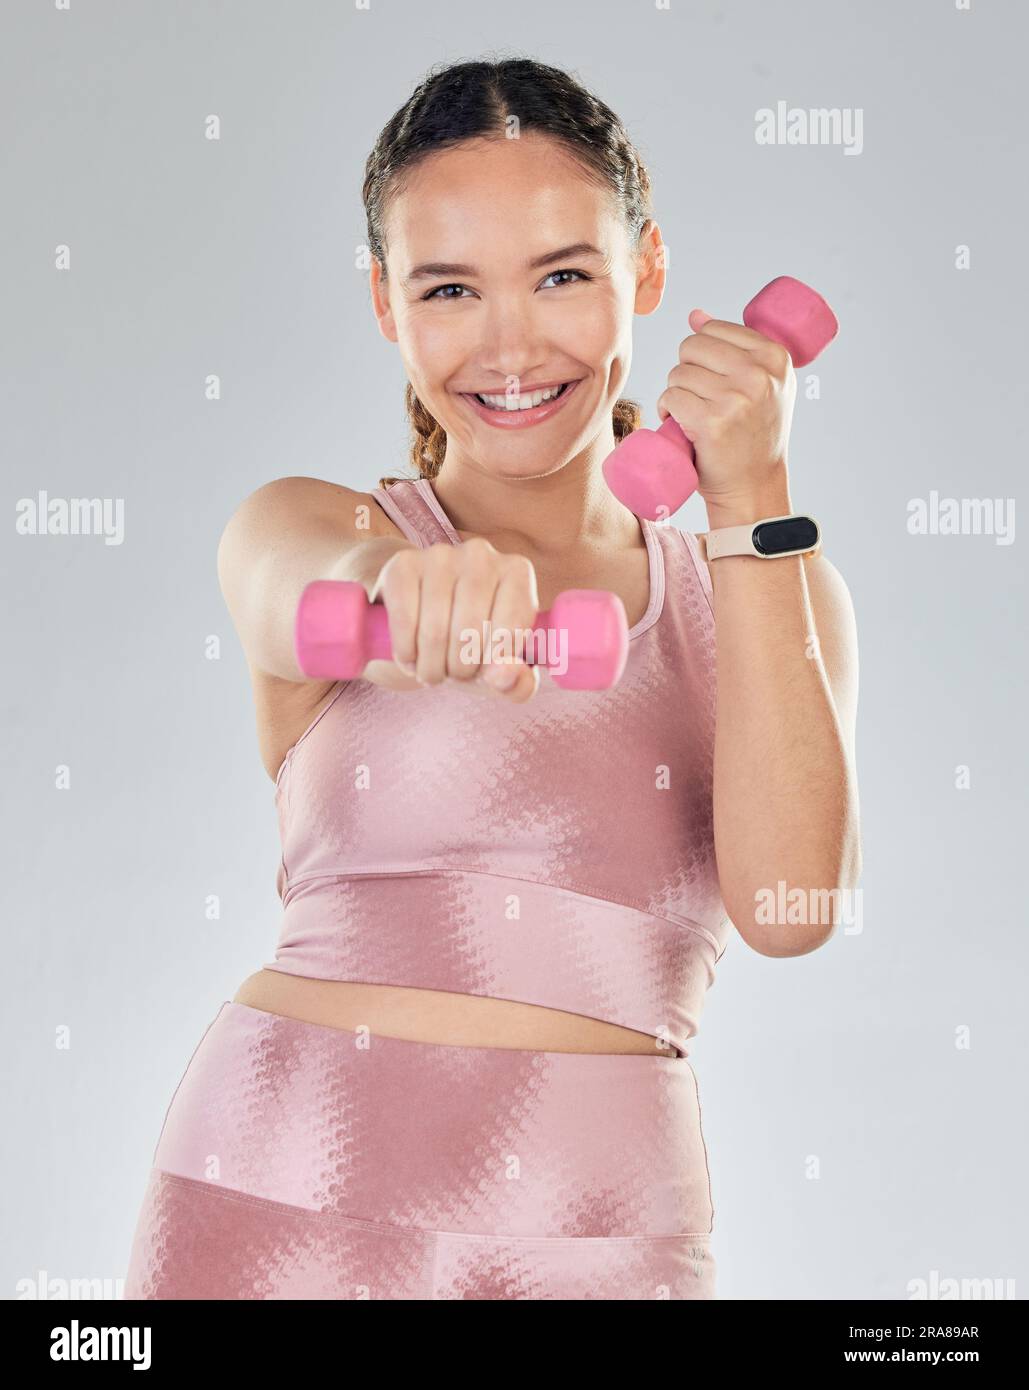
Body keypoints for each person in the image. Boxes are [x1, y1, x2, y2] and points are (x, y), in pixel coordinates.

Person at [123, 56, 860, 1301]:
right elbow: (289, 591)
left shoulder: (768, 588)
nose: (511, 343)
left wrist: (755, 504)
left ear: (650, 272)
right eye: (450, 287)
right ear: (384, 305)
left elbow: (790, 912)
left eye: (563, 274)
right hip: (285, 1197)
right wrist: (393, 590)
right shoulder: (317, 521)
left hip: (608, 1223)